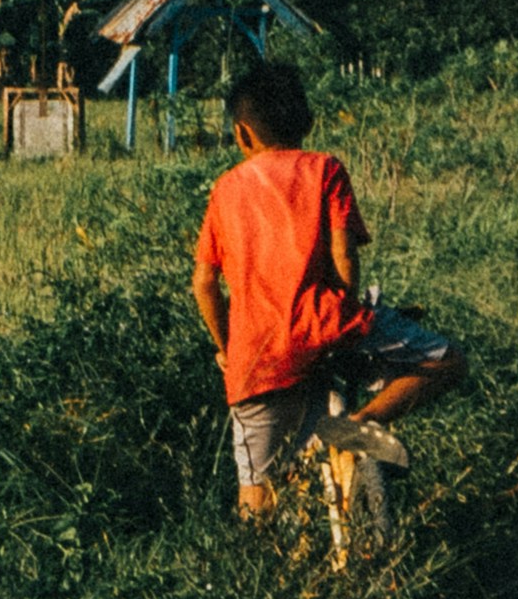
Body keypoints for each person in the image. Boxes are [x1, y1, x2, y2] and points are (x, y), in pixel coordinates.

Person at [191, 55, 459, 518]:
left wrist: (226, 345)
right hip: (329, 326)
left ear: (241, 134)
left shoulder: (226, 189)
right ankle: (362, 422)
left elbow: (203, 284)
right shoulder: (324, 169)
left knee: (256, 498)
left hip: (256, 357)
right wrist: (347, 305)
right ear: (307, 122)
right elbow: (344, 255)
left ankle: (265, 570)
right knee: (449, 361)